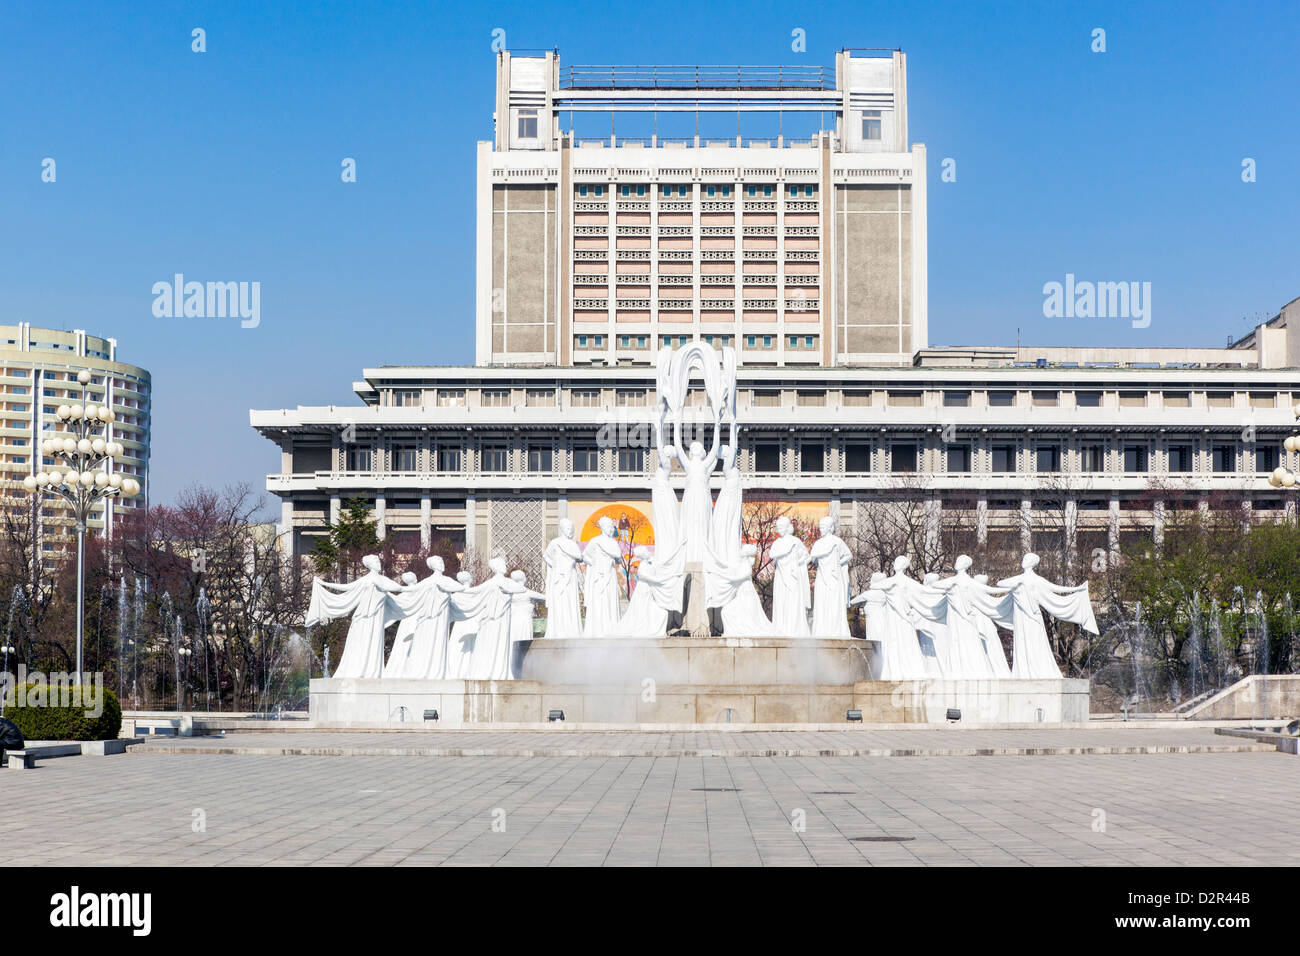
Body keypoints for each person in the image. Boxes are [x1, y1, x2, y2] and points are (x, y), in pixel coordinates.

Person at [997, 554, 1098, 679]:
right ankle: (1023, 672)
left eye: (1027, 559)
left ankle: (1038, 669)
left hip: (1032, 617)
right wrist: (1019, 580)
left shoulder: (1037, 580)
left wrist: (1077, 589)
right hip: (1020, 618)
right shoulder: (1019, 579)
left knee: (1036, 642)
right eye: (1024, 559)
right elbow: (1000, 583)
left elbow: (1055, 588)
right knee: (1022, 642)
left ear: (1032, 563)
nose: (1024, 561)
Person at [307, 554, 405, 680]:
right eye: (375, 561)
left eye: (378, 560)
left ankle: (371, 672)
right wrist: (325, 584)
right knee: (360, 643)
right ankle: (357, 669)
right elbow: (347, 587)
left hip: (376, 618)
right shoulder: (367, 579)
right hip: (364, 617)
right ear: (370, 565)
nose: (378, 562)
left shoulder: (381, 579)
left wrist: (416, 589)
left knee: (373, 643)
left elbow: (397, 587)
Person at [706, 543, 779, 636]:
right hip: (741, 595)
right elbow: (725, 563)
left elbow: (735, 578)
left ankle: (740, 632)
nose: (741, 550)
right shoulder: (740, 564)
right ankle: (735, 632)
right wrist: (711, 551)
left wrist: (717, 573)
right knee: (726, 611)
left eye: (743, 549)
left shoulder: (747, 567)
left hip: (747, 596)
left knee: (729, 613)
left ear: (746, 553)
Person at [808, 515, 852, 638]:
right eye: (820, 527)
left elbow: (848, 555)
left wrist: (838, 563)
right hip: (822, 577)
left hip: (834, 576)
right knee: (821, 602)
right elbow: (812, 558)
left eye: (823, 527)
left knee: (834, 603)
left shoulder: (837, 541)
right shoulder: (818, 543)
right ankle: (821, 630)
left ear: (829, 528)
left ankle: (835, 629)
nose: (821, 530)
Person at [581, 516, 623, 637]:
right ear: (604, 527)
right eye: (609, 526)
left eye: (612, 527)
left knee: (609, 600)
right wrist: (593, 564)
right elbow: (585, 555)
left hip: (610, 575)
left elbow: (619, 558)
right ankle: (598, 629)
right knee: (599, 601)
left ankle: (610, 629)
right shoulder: (595, 541)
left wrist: (613, 555)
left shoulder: (613, 542)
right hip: (598, 576)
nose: (611, 529)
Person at [769, 516, 811, 637]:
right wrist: (784, 553)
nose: (779, 530)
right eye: (777, 528)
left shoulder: (795, 541)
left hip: (793, 576)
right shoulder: (777, 543)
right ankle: (781, 629)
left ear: (787, 527)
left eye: (781, 527)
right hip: (781, 577)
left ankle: (794, 629)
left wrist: (798, 564)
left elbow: (807, 557)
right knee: (781, 601)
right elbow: (772, 555)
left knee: (793, 602)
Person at [542, 519, 583, 639]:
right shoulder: (555, 543)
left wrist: (572, 556)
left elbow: (580, 557)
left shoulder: (572, 544)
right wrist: (553, 565)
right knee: (559, 602)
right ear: (562, 529)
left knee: (570, 602)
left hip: (570, 576)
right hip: (558, 576)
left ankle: (571, 629)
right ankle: (559, 629)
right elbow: (546, 555)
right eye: (567, 528)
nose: (570, 530)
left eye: (571, 528)